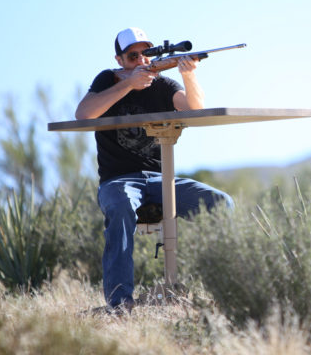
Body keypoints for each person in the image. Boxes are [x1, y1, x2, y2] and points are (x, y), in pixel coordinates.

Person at [76, 27, 233, 310]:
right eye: (132, 56)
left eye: (146, 54)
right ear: (119, 60)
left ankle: (225, 293)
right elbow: (84, 114)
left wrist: (188, 74)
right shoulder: (108, 79)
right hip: (118, 181)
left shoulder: (162, 84)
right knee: (120, 206)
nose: (141, 61)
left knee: (221, 204)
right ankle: (119, 305)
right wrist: (128, 85)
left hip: (161, 178)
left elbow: (196, 110)